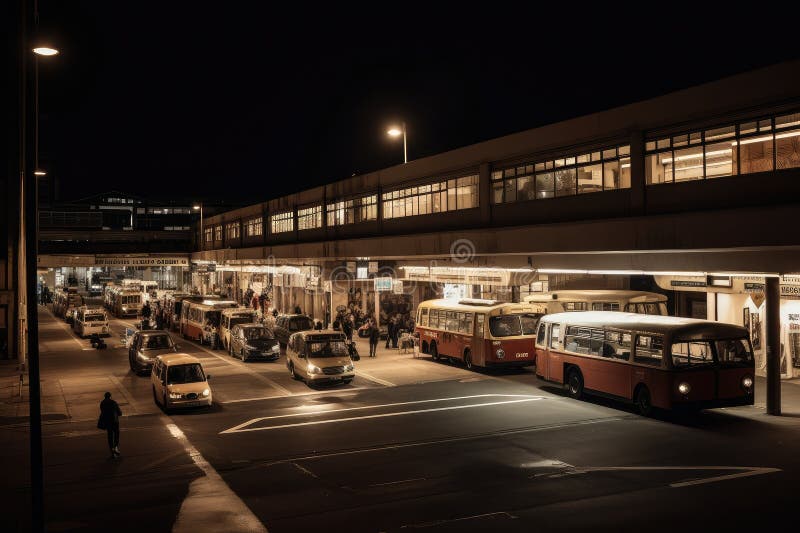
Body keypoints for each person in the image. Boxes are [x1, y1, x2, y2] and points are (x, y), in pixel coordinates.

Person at [99, 392, 122, 458]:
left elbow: (102, 411)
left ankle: (111, 448)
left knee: (110, 435)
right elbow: (119, 412)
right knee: (116, 434)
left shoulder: (102, 403)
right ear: (110, 396)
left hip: (107, 422)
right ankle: (115, 446)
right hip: (114, 421)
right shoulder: (113, 402)